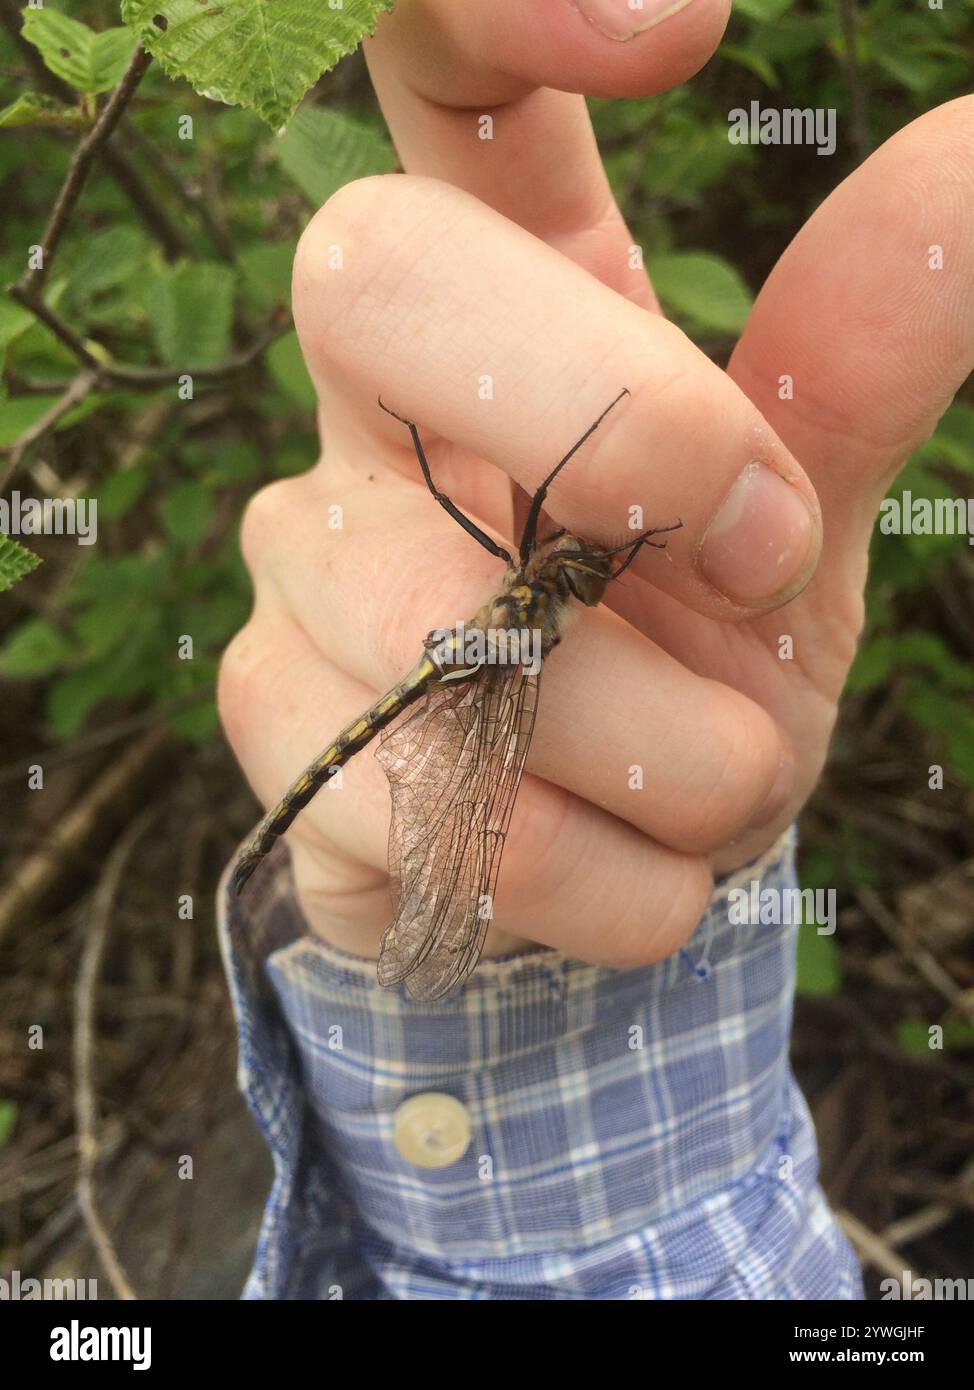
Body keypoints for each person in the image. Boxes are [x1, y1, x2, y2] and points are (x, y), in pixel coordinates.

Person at [215, 0, 974, 1298]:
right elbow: (500, 511)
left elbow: (557, 544)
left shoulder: (552, 603)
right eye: (593, 558)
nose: (598, 558)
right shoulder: (517, 570)